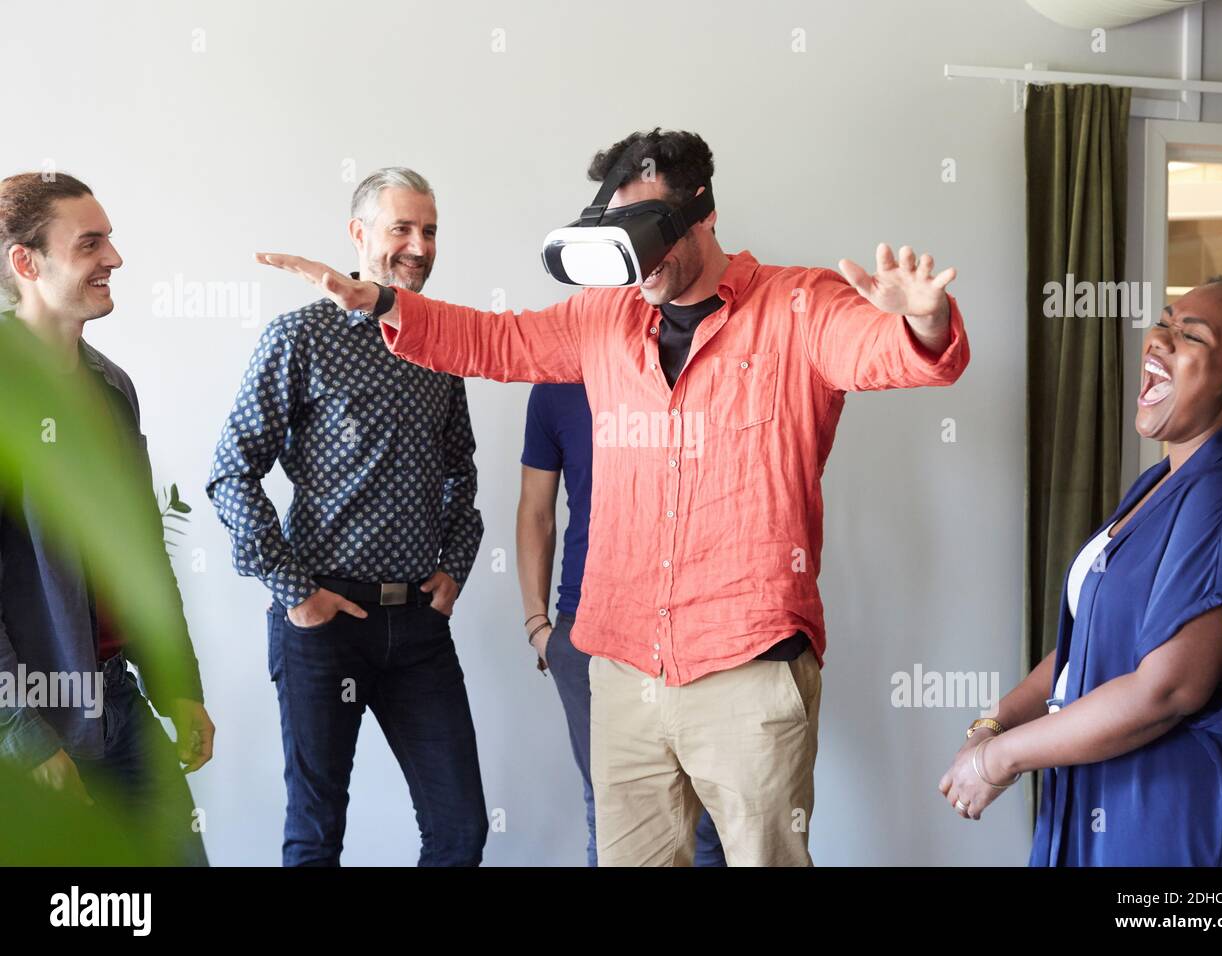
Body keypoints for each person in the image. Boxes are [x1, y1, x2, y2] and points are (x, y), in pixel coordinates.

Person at [258, 128, 971, 866]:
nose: (637, 262)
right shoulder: (604, 319)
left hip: (748, 665)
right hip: (624, 670)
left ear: (702, 216)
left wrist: (922, 318)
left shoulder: (799, 304)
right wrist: (380, 300)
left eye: (649, 230)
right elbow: (493, 340)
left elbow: (890, 351)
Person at [939, 254, 1222, 866]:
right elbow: (1097, 638)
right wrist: (997, 722)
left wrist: (1000, 759)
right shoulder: (1168, 480)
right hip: (1100, 803)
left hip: (1167, 832)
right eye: (1165, 321)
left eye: (1191, 335)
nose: (1160, 338)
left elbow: (1166, 691)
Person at [208, 168, 488, 866]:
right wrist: (294, 591)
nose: (419, 246)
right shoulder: (299, 338)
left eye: (430, 231)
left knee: (461, 832)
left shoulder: (439, 344)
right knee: (317, 834)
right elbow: (230, 473)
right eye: (402, 228)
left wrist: (454, 567)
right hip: (323, 626)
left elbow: (462, 473)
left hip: (418, 627)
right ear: (359, 235)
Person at [0, 171, 212, 865]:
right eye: (91, 243)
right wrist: (22, 736)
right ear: (25, 263)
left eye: (110, 240)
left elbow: (140, 550)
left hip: (116, 702)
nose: (114, 259)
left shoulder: (111, 386)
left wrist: (177, 685)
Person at [518, 381, 726, 866]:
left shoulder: (693, 368)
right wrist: (538, 627)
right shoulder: (556, 386)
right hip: (588, 632)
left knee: (706, 822)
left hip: (698, 625)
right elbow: (536, 510)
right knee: (613, 814)